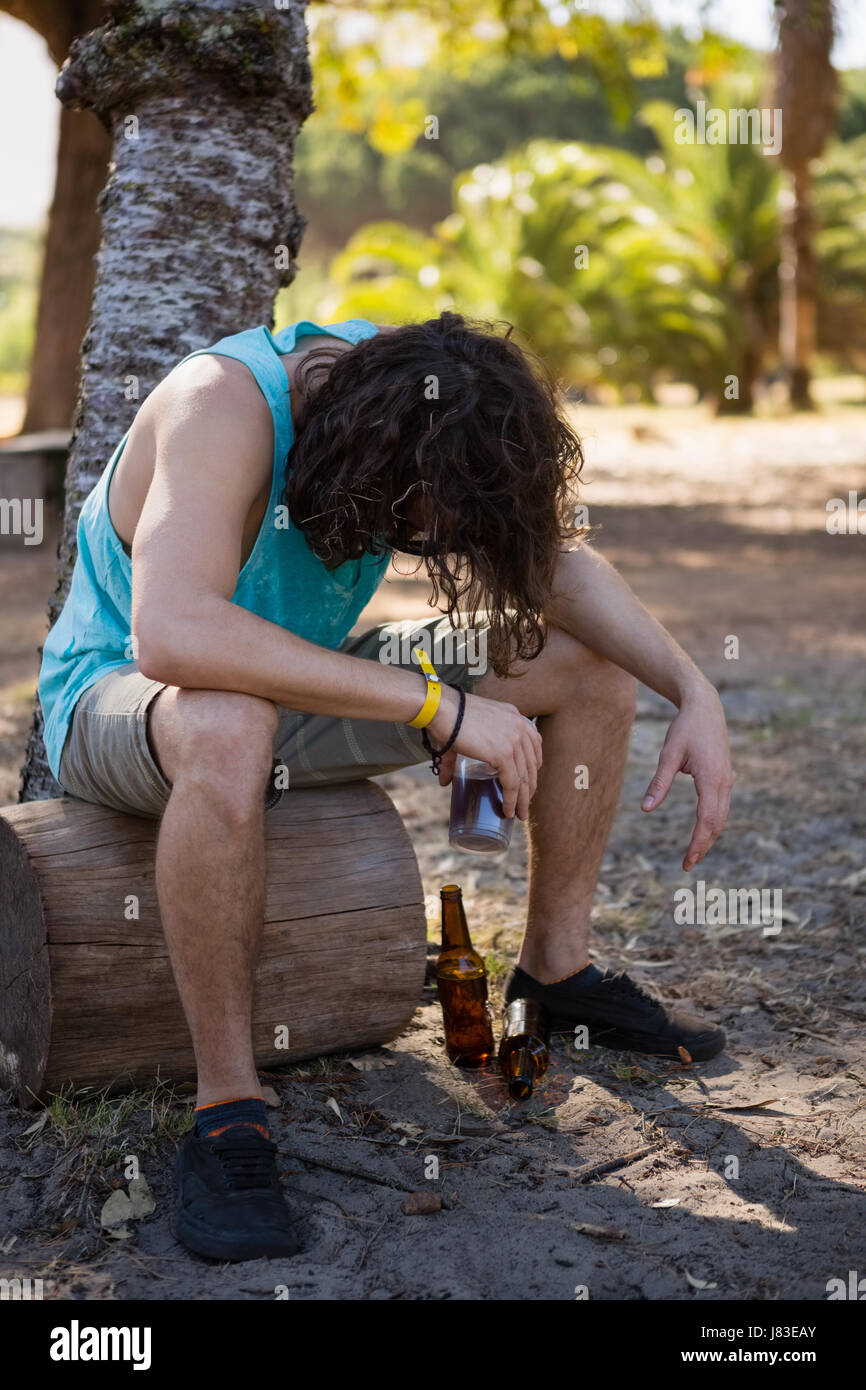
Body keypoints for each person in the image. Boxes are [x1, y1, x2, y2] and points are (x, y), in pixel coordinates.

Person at [38, 311, 733, 1261]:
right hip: (124, 699)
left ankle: (555, 973)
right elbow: (174, 633)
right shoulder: (224, 404)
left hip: (294, 680)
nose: (443, 549)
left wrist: (692, 690)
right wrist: (438, 711)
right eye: (431, 523)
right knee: (230, 718)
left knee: (588, 665)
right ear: (370, 463)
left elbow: (551, 564)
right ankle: (228, 1113)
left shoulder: (425, 397)